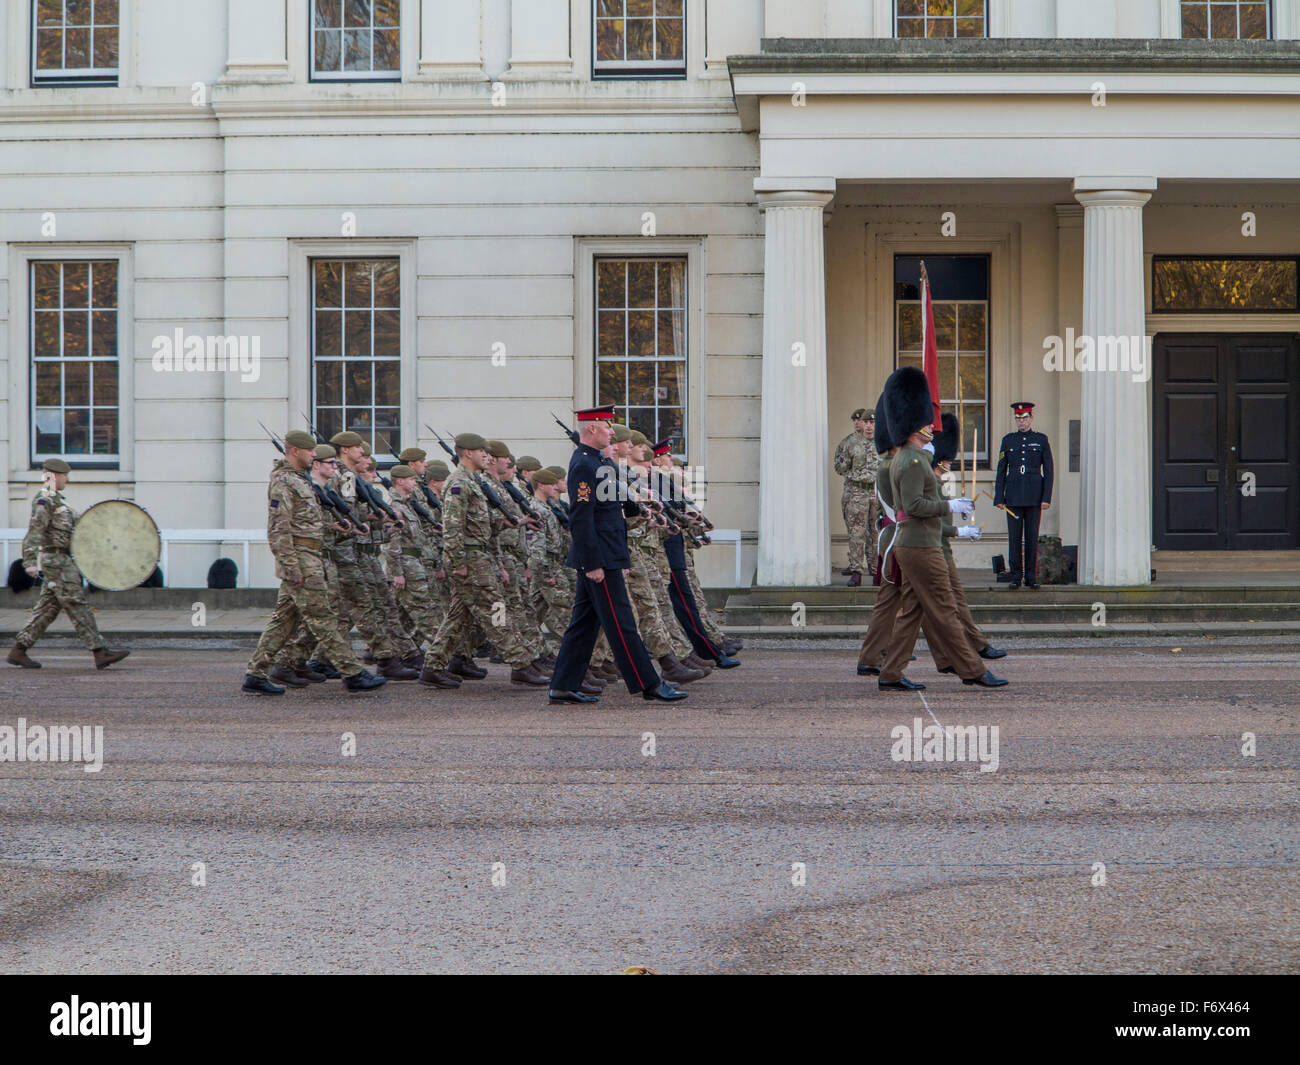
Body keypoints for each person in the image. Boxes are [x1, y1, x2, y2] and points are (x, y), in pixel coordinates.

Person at [547, 405, 687, 705]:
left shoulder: (598, 461)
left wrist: (640, 502)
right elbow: (582, 519)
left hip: (608, 553)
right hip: (600, 557)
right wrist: (592, 562)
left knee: (583, 623)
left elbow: (613, 501)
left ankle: (562, 685)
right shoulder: (584, 465)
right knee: (621, 622)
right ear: (592, 429)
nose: (612, 431)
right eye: (608, 426)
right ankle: (649, 683)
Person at [881, 368, 1007, 691]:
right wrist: (950, 507)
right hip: (921, 546)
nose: (930, 426)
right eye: (925, 422)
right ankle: (972, 669)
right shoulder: (912, 462)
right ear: (912, 425)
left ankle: (891, 673)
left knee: (912, 611)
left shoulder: (912, 458)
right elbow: (913, 507)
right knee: (946, 607)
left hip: (914, 544)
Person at [242, 430, 386, 694]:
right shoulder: (284, 481)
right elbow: (279, 528)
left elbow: (307, 521)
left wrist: (335, 527)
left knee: (284, 621)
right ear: (295, 451)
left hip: (311, 556)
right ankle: (352, 672)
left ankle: (255, 673)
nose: (314, 456)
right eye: (310, 452)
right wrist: (290, 566)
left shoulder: (302, 481)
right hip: (301, 560)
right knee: (322, 616)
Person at [7, 458, 130, 670]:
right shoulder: (45, 500)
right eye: (65, 475)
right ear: (54, 475)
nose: (68, 479)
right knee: (76, 604)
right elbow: (35, 530)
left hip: (62, 559)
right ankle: (100, 652)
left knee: (48, 608)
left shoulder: (59, 501)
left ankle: (18, 651)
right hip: (57, 562)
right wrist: (29, 561)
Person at [928, 413, 1006, 671]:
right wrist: (961, 531)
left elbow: (939, 515)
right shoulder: (930, 480)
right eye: (948, 460)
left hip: (939, 548)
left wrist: (958, 516)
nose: (950, 464)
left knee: (940, 605)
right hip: (930, 549)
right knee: (946, 605)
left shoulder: (936, 480)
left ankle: (964, 650)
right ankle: (971, 656)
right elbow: (929, 521)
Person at [994, 401, 1054, 590]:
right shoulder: (1008, 440)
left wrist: (1046, 497)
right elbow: (1001, 470)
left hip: (1034, 496)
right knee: (1014, 538)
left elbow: (1049, 471)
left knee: (1031, 537)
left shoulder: (1041, 439)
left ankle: (1030, 576)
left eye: (1025, 418)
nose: (1021, 421)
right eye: (1018, 418)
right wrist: (999, 497)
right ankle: (1015, 575)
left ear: (1031, 418)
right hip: (1013, 496)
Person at [833, 407, 880, 587]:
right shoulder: (850, 443)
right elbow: (839, 467)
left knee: (875, 533)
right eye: (866, 422)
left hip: (875, 492)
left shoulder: (882, 443)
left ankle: (876, 570)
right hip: (857, 492)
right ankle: (856, 571)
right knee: (857, 533)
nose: (869, 426)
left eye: (872, 422)